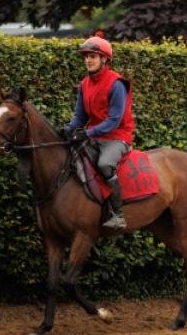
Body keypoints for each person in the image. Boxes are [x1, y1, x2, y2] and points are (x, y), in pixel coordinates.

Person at [63, 34, 134, 229]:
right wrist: (68, 129)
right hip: (95, 135)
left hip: (117, 137)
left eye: (92, 56)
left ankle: (119, 214)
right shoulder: (84, 84)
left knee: (104, 164)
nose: (88, 60)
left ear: (104, 59)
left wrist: (87, 133)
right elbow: (80, 117)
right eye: (86, 56)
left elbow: (113, 121)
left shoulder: (117, 84)